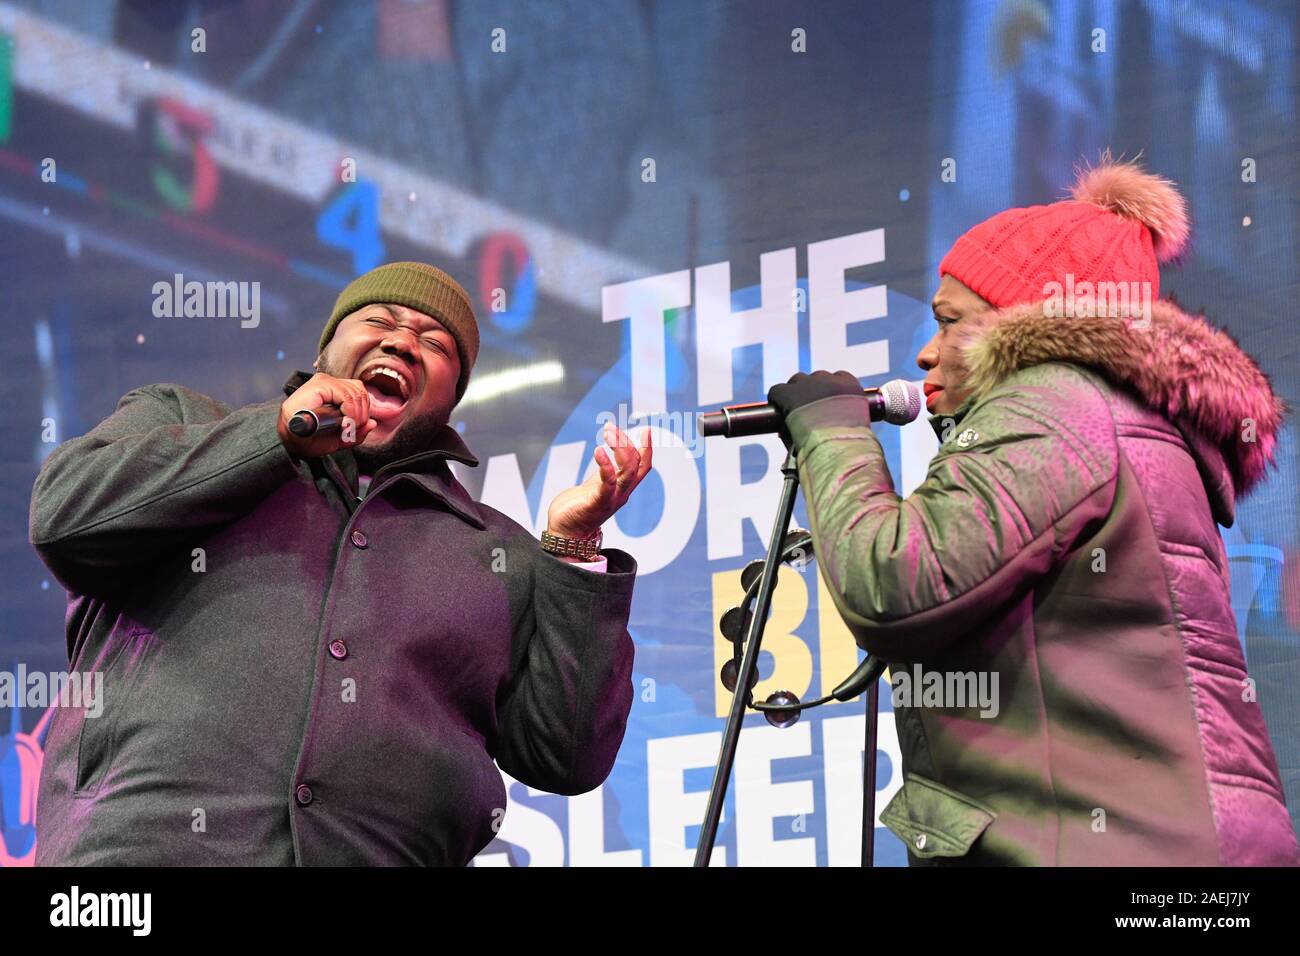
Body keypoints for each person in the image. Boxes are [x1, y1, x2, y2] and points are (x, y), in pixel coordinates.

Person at [767, 154, 1300, 866]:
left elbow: (896, 582)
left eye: (951, 321)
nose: (926, 353)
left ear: (1022, 330)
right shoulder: (1121, 422)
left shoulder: (1055, 405)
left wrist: (833, 435)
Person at [29, 261, 652, 866]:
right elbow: (68, 519)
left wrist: (574, 546)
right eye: (380, 319)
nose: (404, 342)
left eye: (435, 343)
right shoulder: (183, 420)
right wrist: (274, 438)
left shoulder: (497, 552)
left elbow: (566, 756)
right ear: (328, 350)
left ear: (450, 400)